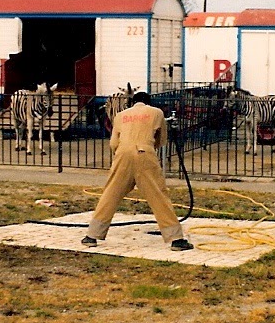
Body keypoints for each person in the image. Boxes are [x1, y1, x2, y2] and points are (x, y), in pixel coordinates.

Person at [82, 91, 194, 251]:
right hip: (145, 153)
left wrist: (124, 153)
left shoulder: (120, 116)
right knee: (158, 195)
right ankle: (176, 239)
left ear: (132, 103)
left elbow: (113, 143)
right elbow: (161, 140)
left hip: (122, 154)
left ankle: (91, 235)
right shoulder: (156, 113)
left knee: (110, 194)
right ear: (148, 102)